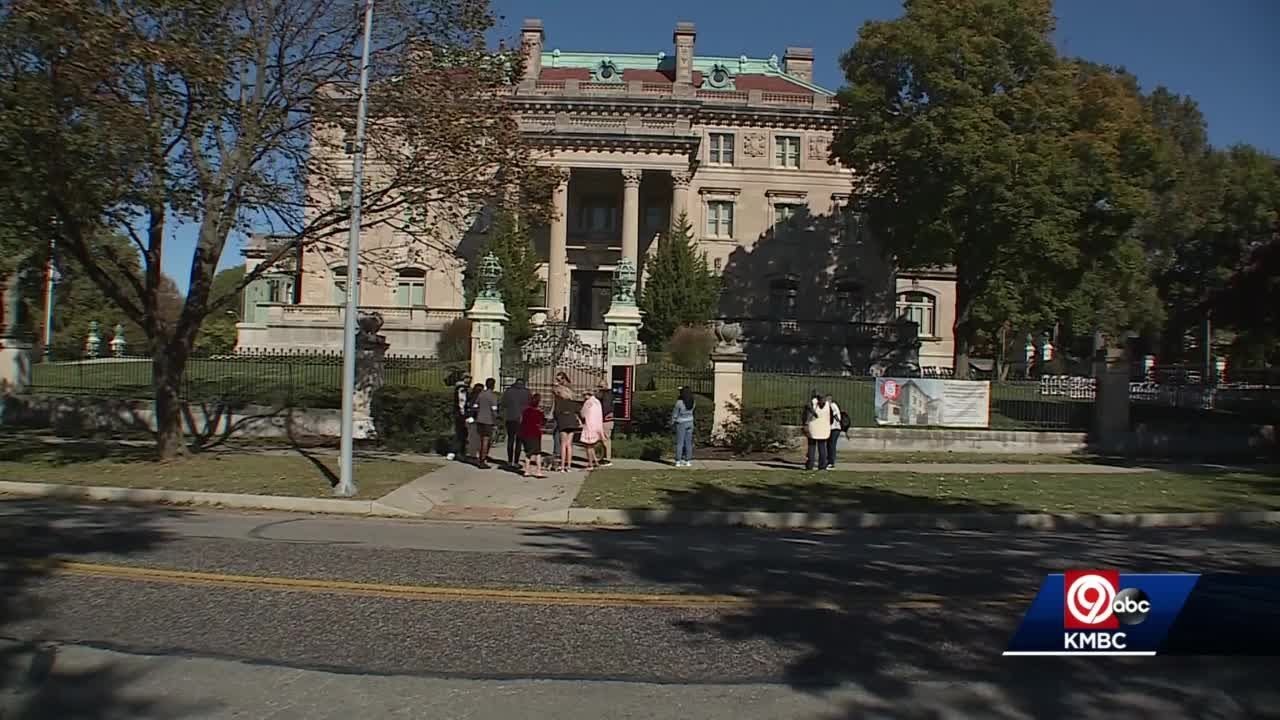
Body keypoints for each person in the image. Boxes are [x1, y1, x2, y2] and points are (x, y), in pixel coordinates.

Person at [552, 377, 580, 472]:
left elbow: (556, 412)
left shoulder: (560, 402)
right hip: (572, 422)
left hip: (563, 422)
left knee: (563, 444)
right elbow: (578, 411)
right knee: (569, 444)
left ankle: (563, 466)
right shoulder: (572, 402)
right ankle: (569, 466)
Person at [501, 378, 531, 467]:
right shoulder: (527, 392)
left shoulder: (508, 391)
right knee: (519, 441)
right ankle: (516, 461)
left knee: (510, 439)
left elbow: (503, 404)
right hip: (522, 418)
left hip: (510, 417)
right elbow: (530, 404)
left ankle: (510, 461)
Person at [803, 389, 834, 471]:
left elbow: (806, 415)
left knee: (811, 447)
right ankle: (822, 465)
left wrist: (805, 424)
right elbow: (831, 417)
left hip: (813, 428)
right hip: (824, 428)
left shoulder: (811, 404)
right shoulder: (828, 405)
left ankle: (810, 465)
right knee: (822, 447)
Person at [519, 393, 547, 478]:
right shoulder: (539, 412)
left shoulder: (525, 411)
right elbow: (543, 422)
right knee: (537, 452)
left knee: (528, 452)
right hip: (535, 433)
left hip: (525, 433)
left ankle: (527, 471)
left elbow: (521, 421)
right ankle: (538, 471)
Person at [473, 378, 499, 469]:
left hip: (479, 420)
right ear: (493, 385)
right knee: (486, 440)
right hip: (488, 421)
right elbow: (494, 410)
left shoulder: (481, 394)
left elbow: (475, 406)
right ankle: (482, 460)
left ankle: (480, 457)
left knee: (481, 440)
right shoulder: (493, 396)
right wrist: (496, 421)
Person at [578, 389, 604, 471]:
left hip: (589, 426)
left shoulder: (588, 402)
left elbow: (583, 414)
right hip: (597, 426)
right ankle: (595, 461)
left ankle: (590, 464)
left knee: (588, 446)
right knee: (592, 445)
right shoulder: (597, 402)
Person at [671, 386, 696, 467]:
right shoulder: (693, 402)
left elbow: (675, 414)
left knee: (680, 443)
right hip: (690, 422)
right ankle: (688, 460)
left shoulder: (679, 403)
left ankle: (678, 461)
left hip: (681, 422)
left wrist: (672, 422)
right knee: (688, 442)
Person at [551, 371, 572, 464]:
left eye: (559, 379)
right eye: (557, 379)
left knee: (562, 434)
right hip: (557, 411)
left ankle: (561, 453)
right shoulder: (557, 388)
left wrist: (559, 388)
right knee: (555, 433)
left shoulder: (568, 388)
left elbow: (567, 396)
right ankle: (557, 452)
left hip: (565, 413)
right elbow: (554, 393)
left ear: (564, 379)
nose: (558, 381)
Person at [449, 380, 470, 461]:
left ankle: (461, 452)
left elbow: (466, 405)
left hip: (464, 415)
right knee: (458, 434)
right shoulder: (457, 395)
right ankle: (454, 451)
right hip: (458, 416)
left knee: (463, 434)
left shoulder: (466, 394)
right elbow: (457, 406)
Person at [596, 381, 615, 466]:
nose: (599, 388)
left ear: (606, 386)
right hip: (602, 420)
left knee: (605, 439)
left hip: (606, 420)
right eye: (599, 386)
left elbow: (606, 407)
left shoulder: (607, 395)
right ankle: (601, 457)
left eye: (601, 386)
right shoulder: (603, 395)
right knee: (601, 439)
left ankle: (607, 458)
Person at [466, 383, 484, 463]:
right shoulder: (479, 398)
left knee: (472, 437)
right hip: (476, 419)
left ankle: (472, 453)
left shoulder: (470, 397)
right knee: (476, 438)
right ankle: (475, 454)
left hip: (471, 418)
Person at [825, 394, 843, 470]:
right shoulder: (830, 406)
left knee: (831, 445)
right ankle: (828, 461)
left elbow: (837, 417)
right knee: (829, 445)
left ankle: (831, 462)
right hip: (831, 428)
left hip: (835, 428)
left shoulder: (833, 406)